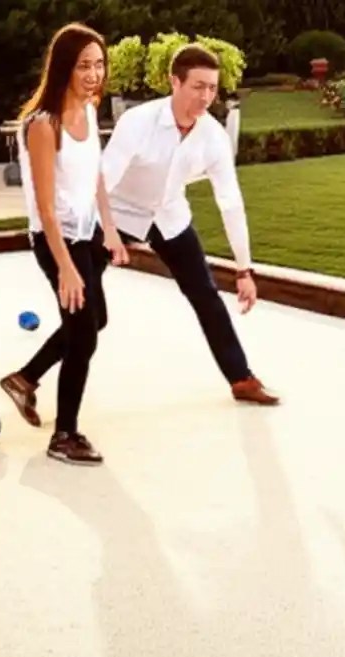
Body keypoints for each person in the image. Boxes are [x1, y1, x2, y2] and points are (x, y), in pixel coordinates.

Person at [99, 43, 279, 405]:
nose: (206, 97)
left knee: (206, 295)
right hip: (119, 212)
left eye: (212, 88)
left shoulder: (213, 137)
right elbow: (101, 180)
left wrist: (244, 269)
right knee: (85, 304)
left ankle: (241, 379)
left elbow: (230, 202)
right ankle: (28, 377)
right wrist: (108, 231)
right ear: (175, 82)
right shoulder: (138, 122)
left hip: (169, 216)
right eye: (198, 86)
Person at [0, 22, 129, 466]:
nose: (94, 74)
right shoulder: (43, 125)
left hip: (87, 234)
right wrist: (66, 268)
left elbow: (96, 175)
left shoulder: (89, 111)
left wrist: (109, 227)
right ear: (63, 69)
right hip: (56, 240)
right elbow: (45, 207)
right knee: (83, 336)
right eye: (83, 66)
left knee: (95, 321)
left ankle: (24, 379)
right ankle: (64, 435)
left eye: (99, 64)